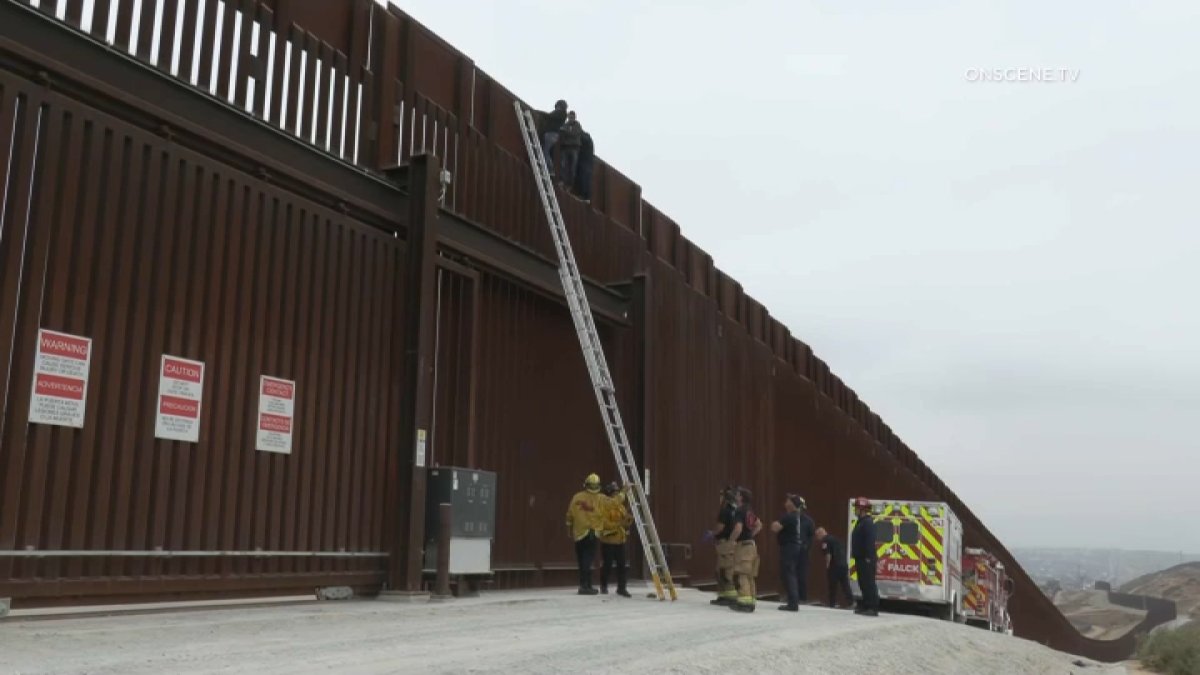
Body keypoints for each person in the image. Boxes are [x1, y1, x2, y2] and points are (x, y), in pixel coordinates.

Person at [769, 494, 812, 611]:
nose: (785, 502)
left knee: (788, 573)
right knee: (788, 573)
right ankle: (793, 600)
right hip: (794, 547)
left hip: (789, 547)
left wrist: (775, 524)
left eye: (788, 500)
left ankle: (793, 602)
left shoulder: (790, 516)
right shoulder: (796, 517)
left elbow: (775, 528)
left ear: (792, 504)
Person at [565, 473, 605, 595]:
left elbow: (569, 515)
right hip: (592, 533)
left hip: (579, 533)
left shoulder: (577, 497)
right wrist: (623, 492)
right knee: (587, 560)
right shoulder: (600, 498)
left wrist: (569, 530)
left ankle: (584, 584)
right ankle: (585, 586)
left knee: (581, 560)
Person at [728, 487, 763, 613]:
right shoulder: (750, 511)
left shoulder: (739, 510)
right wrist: (751, 535)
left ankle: (744, 603)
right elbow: (759, 525)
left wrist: (731, 541)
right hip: (752, 545)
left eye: (737, 494)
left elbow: (738, 528)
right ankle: (751, 601)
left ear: (741, 497)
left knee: (741, 573)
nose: (735, 496)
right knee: (749, 575)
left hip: (743, 546)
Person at [705, 485, 739, 606]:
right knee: (725, 569)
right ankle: (724, 596)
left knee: (724, 570)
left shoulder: (725, 511)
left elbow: (720, 527)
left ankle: (728, 597)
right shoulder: (737, 511)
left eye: (720, 495)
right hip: (732, 543)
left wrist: (712, 534)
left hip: (725, 543)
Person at [598, 481, 633, 597]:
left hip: (620, 540)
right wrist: (619, 524)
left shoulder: (621, 507)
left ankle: (622, 588)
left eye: (618, 492)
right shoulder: (604, 505)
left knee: (622, 565)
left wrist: (627, 521)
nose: (617, 494)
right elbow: (605, 524)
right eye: (615, 492)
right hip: (608, 540)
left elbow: (624, 521)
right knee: (607, 565)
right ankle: (603, 586)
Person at [851, 496, 880, 616]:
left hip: (866, 558)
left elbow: (869, 540)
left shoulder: (867, 523)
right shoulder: (860, 522)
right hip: (860, 557)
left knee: (869, 583)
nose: (855, 510)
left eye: (857, 508)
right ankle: (866, 605)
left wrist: (868, 556)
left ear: (862, 509)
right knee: (862, 582)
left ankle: (872, 607)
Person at [816, 526, 854, 609]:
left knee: (832, 585)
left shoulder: (825, 541)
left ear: (821, 533)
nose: (817, 538)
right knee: (845, 584)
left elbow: (828, 554)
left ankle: (832, 603)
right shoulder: (835, 539)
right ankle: (851, 602)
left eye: (817, 535)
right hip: (843, 564)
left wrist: (827, 565)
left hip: (834, 565)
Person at [539, 99, 568, 176]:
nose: (556, 107)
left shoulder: (561, 113)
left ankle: (550, 169)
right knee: (547, 151)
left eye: (557, 106)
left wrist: (539, 112)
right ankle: (549, 169)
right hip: (554, 135)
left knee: (545, 152)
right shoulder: (562, 114)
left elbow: (550, 116)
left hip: (551, 134)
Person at [557, 111, 583, 186]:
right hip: (565, 147)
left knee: (572, 168)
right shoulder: (565, 125)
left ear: (574, 117)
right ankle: (562, 181)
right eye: (569, 117)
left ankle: (570, 184)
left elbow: (575, 133)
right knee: (563, 165)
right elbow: (562, 133)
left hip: (574, 148)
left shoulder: (577, 125)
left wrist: (566, 131)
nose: (570, 118)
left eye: (572, 117)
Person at [572, 131, 594, 203]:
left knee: (583, 178)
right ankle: (585, 196)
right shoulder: (588, 140)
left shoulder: (584, 138)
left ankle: (584, 195)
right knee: (585, 178)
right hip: (587, 162)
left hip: (584, 161)